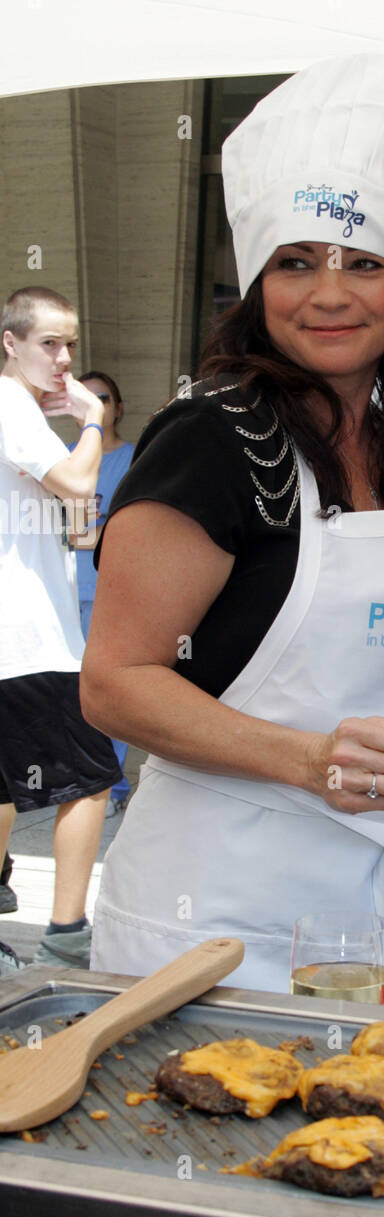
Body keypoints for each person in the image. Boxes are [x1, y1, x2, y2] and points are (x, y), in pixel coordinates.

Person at [81, 56, 384, 1016]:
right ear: (256, 279)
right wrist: (308, 760)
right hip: (225, 932)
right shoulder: (209, 437)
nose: (329, 293)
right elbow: (114, 681)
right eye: (296, 261)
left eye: (363, 262)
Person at [0, 286, 122, 974]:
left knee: (4, 790)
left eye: (70, 343)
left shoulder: (17, 414)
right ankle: (66, 939)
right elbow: (79, 485)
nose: (64, 358)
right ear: (11, 343)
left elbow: (74, 525)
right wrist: (94, 418)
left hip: (15, 637)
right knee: (90, 780)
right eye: (49, 343)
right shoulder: (10, 404)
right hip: (29, 639)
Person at [72, 371, 134, 814]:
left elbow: (136, 519)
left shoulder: (135, 458)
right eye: (86, 396)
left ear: (117, 406)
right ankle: (74, 781)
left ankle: (110, 788)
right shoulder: (60, 460)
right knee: (68, 692)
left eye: (103, 397)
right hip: (62, 589)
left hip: (112, 589)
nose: (96, 403)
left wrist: (97, 528)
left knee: (108, 689)